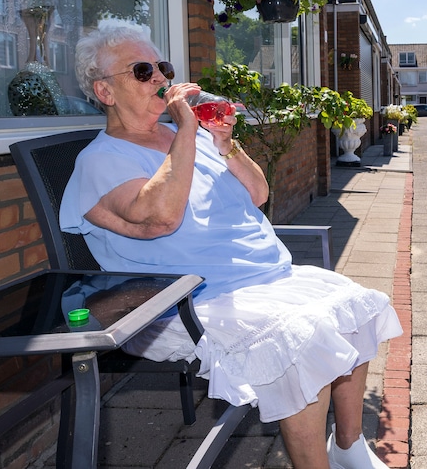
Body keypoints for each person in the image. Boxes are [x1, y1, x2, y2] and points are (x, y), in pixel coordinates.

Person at [59, 24, 401, 469]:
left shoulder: (191, 138)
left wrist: (225, 144)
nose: (160, 79)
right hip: (189, 300)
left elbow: (258, 193)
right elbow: (161, 217)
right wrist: (186, 129)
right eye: (142, 71)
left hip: (264, 276)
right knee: (303, 340)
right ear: (105, 91)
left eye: (163, 67)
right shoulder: (102, 159)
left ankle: (348, 448)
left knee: (360, 307)